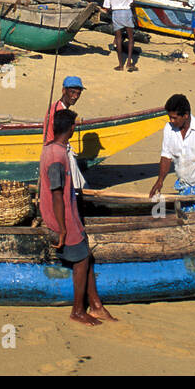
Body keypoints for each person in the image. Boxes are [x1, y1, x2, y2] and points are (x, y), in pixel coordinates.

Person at [39, 108, 115, 325]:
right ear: (71, 129)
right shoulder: (56, 156)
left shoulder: (52, 149)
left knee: (86, 256)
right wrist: (62, 229)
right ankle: (78, 311)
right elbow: (56, 194)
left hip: (68, 214)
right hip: (62, 218)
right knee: (81, 260)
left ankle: (96, 305)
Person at [44, 76, 87, 190]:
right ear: (64, 91)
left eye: (78, 93)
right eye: (72, 92)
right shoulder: (59, 111)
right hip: (57, 153)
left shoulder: (59, 108)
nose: (75, 96)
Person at [101, 0, 136, 71]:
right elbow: (131, 1)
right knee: (130, 38)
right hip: (127, 12)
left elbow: (107, 7)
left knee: (119, 39)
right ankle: (129, 62)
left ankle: (120, 65)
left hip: (116, 14)